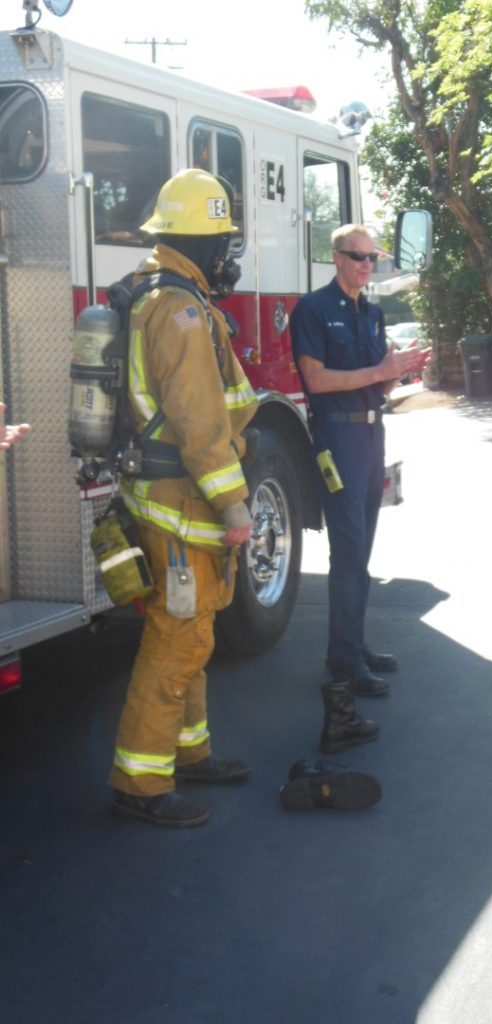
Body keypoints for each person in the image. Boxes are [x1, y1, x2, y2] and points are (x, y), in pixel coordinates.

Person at [109, 169, 259, 828]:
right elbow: (201, 423)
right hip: (184, 505)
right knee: (176, 641)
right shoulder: (181, 310)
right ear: (198, 241)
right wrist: (235, 506)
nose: (227, 255)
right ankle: (140, 786)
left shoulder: (155, 292)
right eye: (221, 240)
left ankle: (189, 754)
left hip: (166, 499)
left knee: (192, 635)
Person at [289, 224, 430, 744]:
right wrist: (380, 371)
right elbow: (317, 379)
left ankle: (351, 645)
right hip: (338, 440)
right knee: (347, 555)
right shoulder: (313, 309)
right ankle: (344, 666)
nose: (368, 265)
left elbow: (379, 379)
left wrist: (401, 369)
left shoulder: (371, 313)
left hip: (372, 436)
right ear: (336, 257)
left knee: (362, 552)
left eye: (373, 258)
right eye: (359, 256)